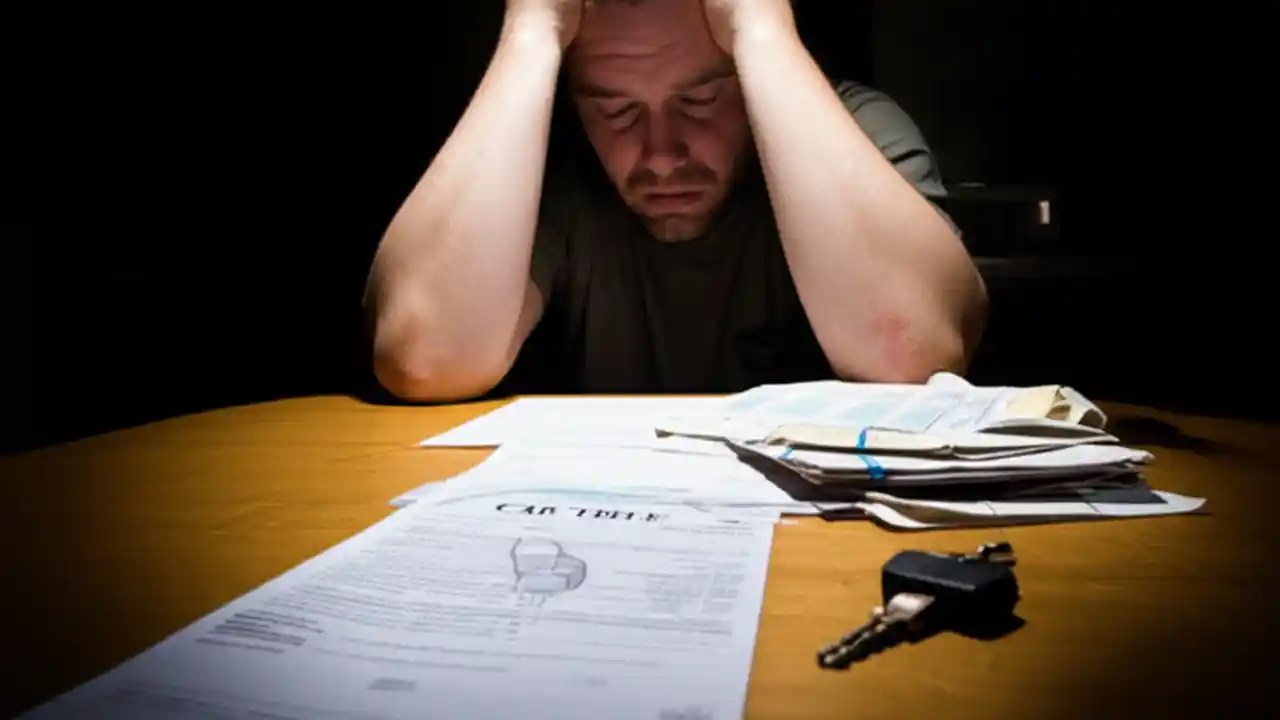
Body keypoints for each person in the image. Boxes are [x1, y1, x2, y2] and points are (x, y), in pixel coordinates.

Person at [364, 0, 988, 401]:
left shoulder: (857, 128)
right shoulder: (548, 165)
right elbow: (425, 356)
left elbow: (911, 354)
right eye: (616, 110)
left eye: (702, 101)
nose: (661, 155)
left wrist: (763, 31)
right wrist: (531, 32)